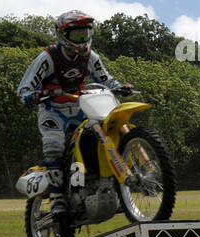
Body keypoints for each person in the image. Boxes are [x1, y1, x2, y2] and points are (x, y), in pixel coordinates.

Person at [17, 11, 133, 218]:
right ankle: (57, 200)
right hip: (53, 110)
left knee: (104, 135)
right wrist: (33, 95)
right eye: (77, 35)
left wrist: (119, 86)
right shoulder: (48, 57)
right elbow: (25, 88)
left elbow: (106, 78)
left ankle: (113, 188)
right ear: (63, 35)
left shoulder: (90, 56)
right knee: (54, 146)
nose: (82, 39)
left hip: (82, 108)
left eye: (85, 33)